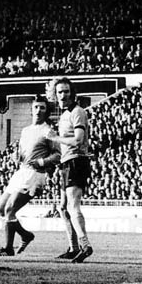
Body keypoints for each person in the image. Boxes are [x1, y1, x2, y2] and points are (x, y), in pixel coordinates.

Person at [0, 95, 60, 256]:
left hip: (35, 175)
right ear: (31, 110)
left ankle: (8, 248)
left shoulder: (48, 131)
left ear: (47, 111)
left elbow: (58, 155)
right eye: (36, 107)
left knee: (10, 209)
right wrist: (16, 156)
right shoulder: (26, 131)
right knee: (0, 209)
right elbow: (22, 152)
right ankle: (26, 235)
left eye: (42, 108)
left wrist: (42, 162)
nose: (38, 110)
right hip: (21, 171)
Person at [45, 77, 93, 263]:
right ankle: (73, 248)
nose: (63, 95)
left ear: (73, 93)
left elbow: (79, 140)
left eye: (66, 91)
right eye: (60, 92)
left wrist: (56, 139)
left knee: (73, 206)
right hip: (67, 163)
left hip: (76, 161)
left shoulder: (77, 112)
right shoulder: (65, 115)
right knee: (63, 208)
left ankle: (85, 245)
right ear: (55, 95)